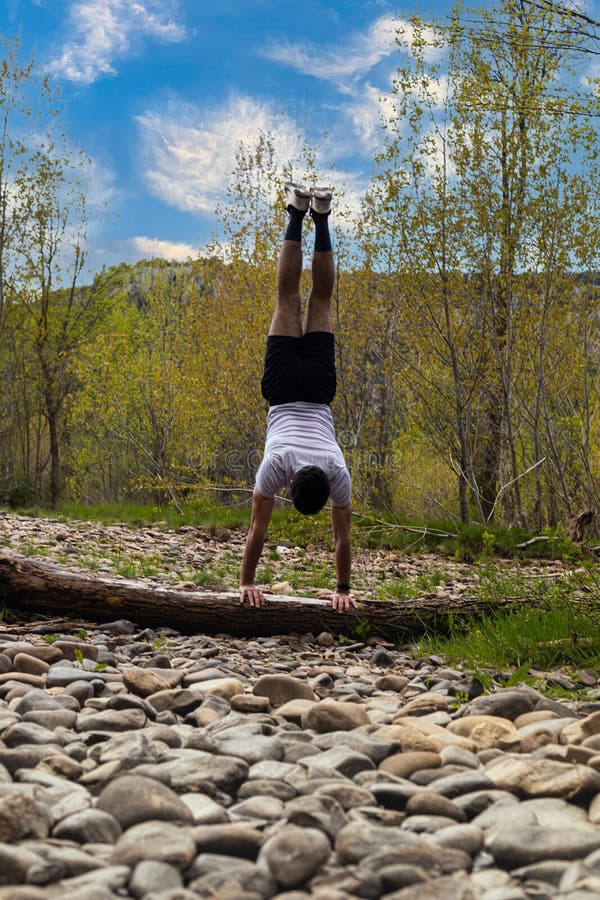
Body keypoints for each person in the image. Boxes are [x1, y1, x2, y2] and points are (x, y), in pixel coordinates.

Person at [239, 181, 357, 614]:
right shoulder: (276, 469)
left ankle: (317, 212)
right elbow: (262, 532)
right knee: (292, 298)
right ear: (292, 485)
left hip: (320, 391)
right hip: (285, 389)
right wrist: (341, 590)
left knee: (315, 300)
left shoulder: (338, 472)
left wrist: (248, 584)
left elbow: (258, 532)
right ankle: (300, 211)